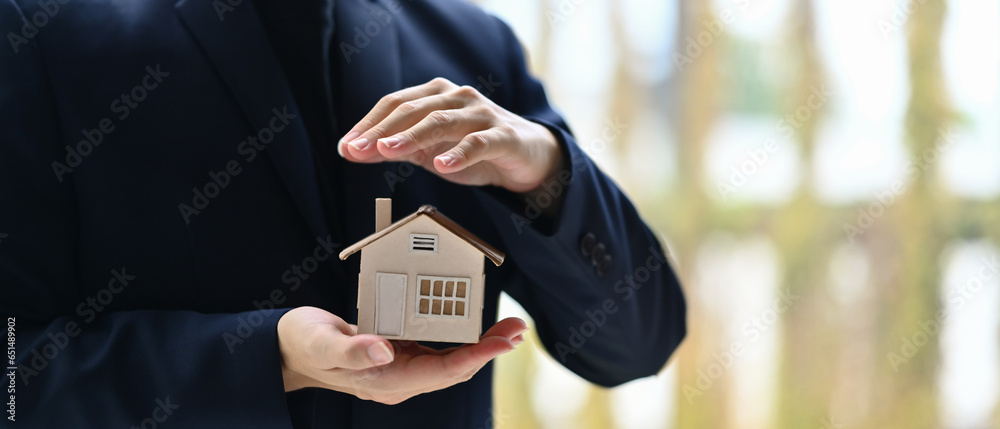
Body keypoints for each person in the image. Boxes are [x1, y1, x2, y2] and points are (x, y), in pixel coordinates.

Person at [0, 0, 686, 427]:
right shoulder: (40, 29)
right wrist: (266, 359)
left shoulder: (474, 48)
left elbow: (638, 342)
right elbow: (13, 378)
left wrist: (548, 172)